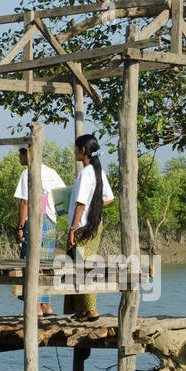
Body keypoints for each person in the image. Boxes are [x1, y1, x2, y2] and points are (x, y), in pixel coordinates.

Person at [65, 133, 117, 321]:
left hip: (82, 226)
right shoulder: (98, 171)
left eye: (76, 148)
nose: (74, 151)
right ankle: (82, 311)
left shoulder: (86, 173)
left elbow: (80, 204)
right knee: (82, 264)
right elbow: (108, 198)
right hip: (94, 223)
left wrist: (72, 229)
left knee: (82, 266)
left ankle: (91, 310)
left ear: (83, 150)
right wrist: (94, 206)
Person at [13, 145, 67, 316]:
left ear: (27, 154)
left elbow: (24, 203)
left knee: (29, 263)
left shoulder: (27, 173)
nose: (19, 156)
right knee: (44, 263)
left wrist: (21, 227)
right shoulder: (51, 172)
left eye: (20, 153)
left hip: (35, 221)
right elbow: (64, 197)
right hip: (50, 220)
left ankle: (34, 306)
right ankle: (46, 306)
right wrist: (50, 210)